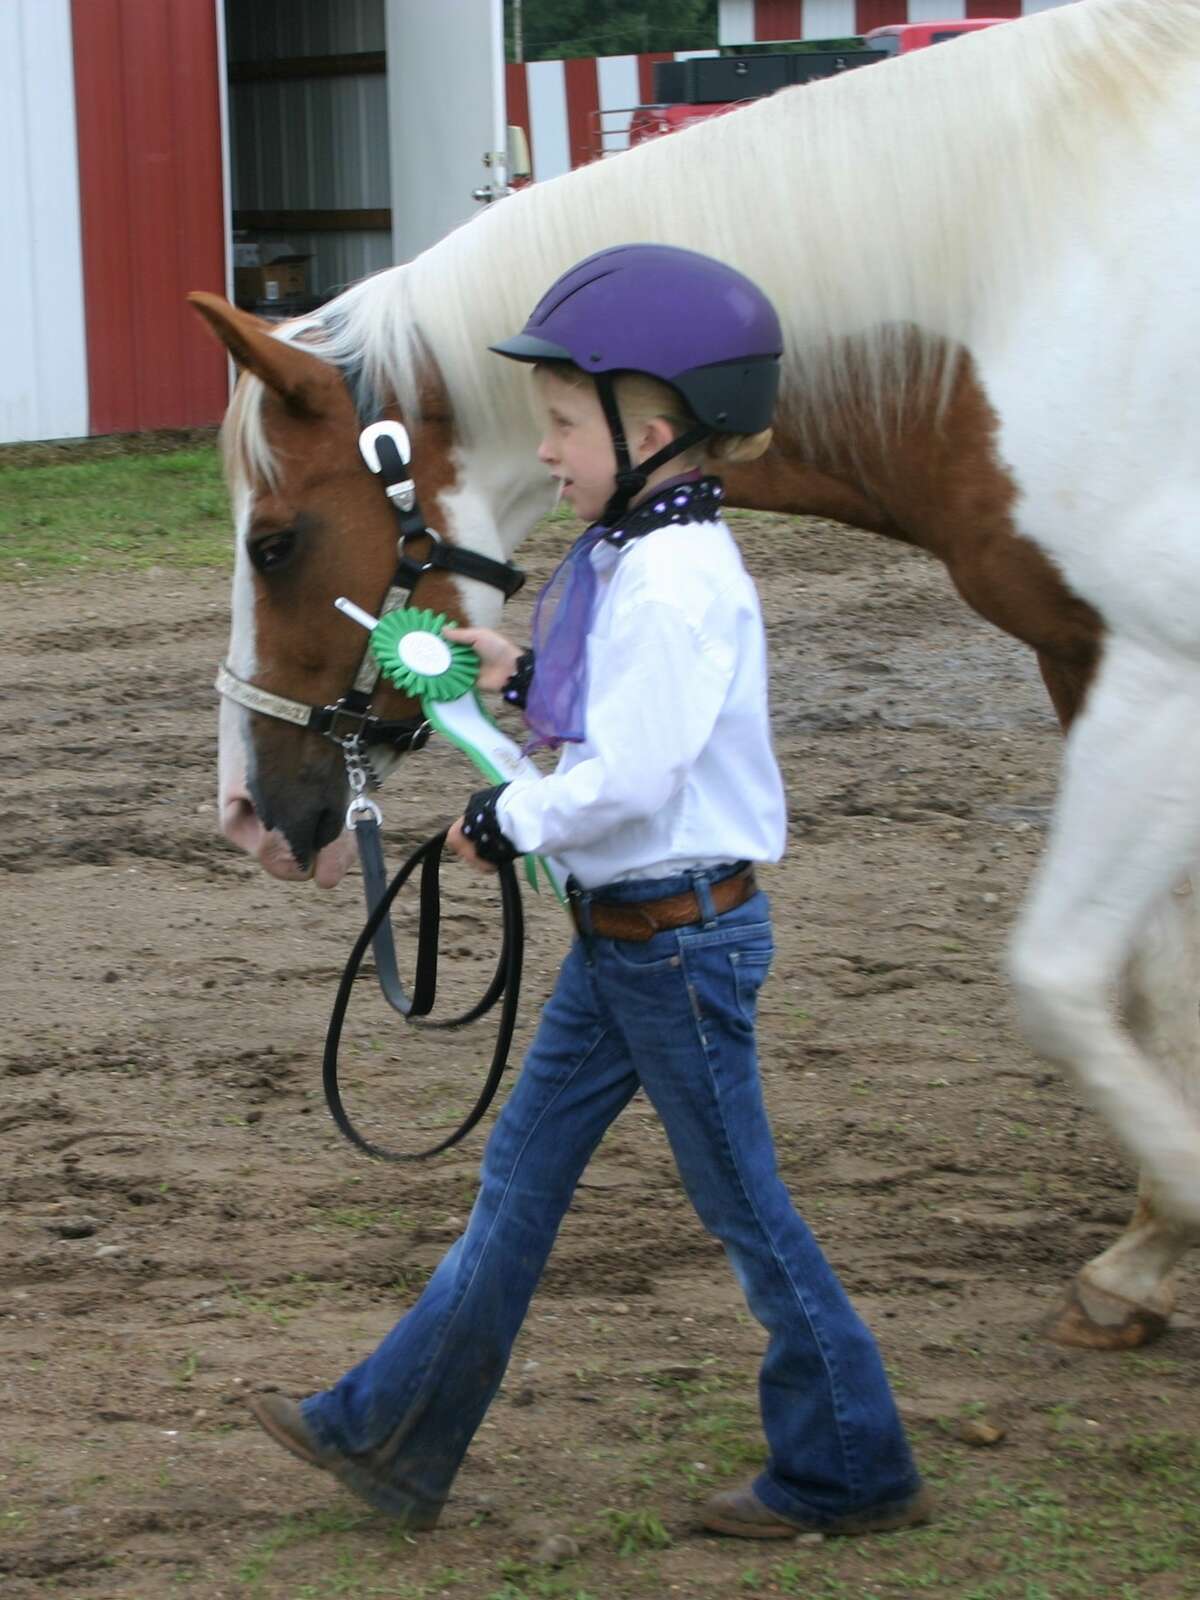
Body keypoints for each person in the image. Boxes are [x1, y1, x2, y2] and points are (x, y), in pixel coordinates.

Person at [248, 244, 930, 1540]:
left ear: (651, 426)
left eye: (565, 425)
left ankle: (852, 1460)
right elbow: (599, 708)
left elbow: (635, 773)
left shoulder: (673, 581)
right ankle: (387, 1431)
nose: (548, 452)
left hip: (676, 949)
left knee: (747, 1213)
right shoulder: (633, 558)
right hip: (631, 947)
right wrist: (503, 668)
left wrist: (511, 818)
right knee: (515, 1192)